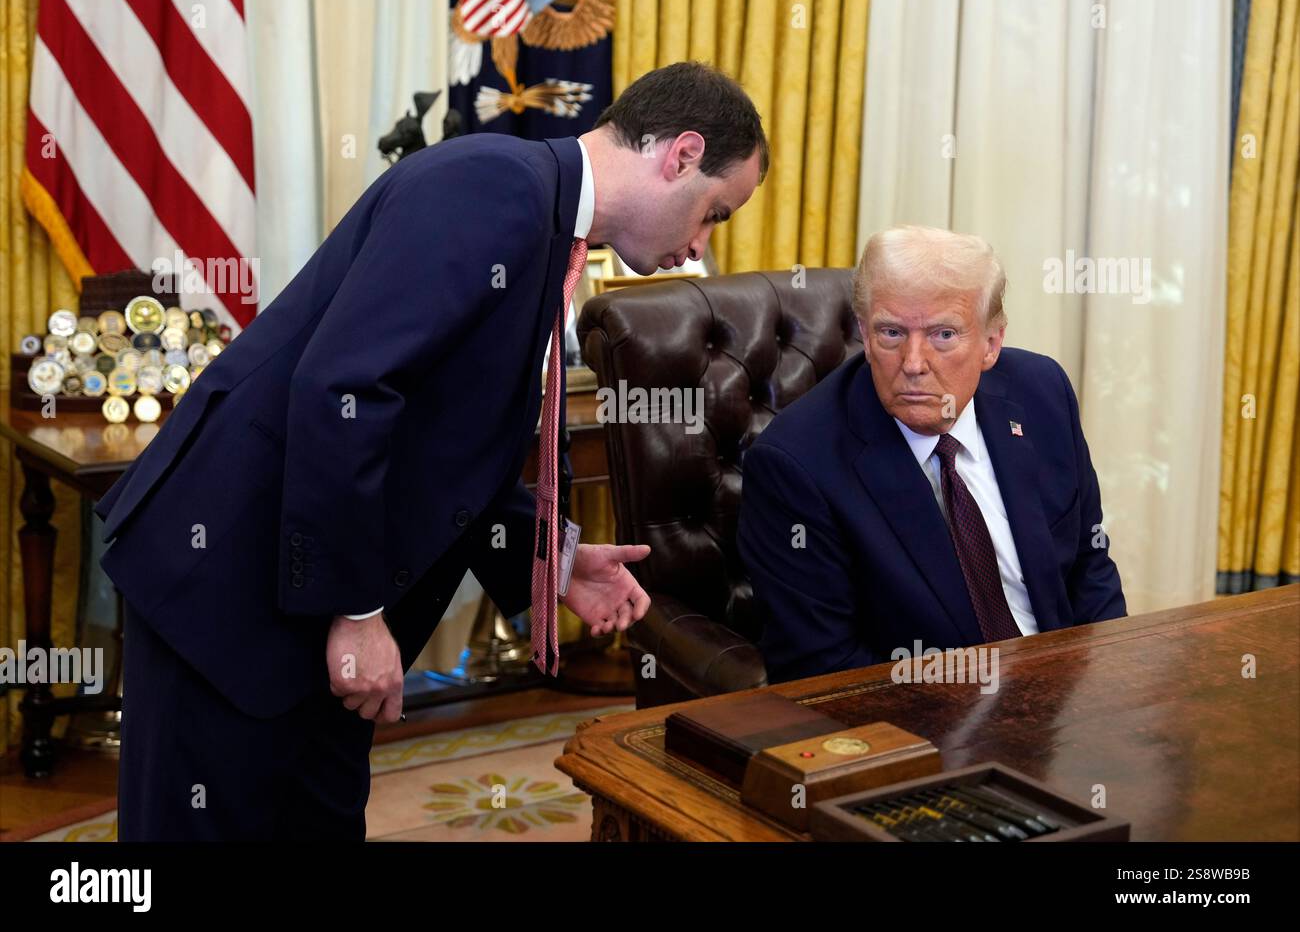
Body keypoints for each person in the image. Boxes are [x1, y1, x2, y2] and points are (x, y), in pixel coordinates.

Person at [96, 61, 769, 840]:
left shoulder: (543, 216)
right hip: (229, 586)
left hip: (293, 590)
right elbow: (345, 390)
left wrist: (549, 554)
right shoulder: (493, 186)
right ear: (680, 155)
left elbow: (448, 439)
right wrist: (354, 609)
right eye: (715, 213)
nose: (699, 247)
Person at [738, 225, 1124, 683]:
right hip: (928, 723)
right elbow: (825, 668)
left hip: (1064, 692)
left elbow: (1088, 564)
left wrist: (1107, 684)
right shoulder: (797, 464)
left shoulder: (1041, 392)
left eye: (943, 334)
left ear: (991, 344)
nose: (914, 363)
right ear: (863, 331)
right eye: (891, 332)